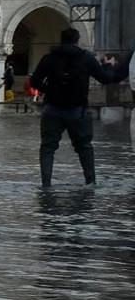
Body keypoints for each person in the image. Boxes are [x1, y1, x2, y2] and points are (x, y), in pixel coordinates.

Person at [27, 27, 130, 186]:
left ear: (61, 40)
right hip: (77, 111)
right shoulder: (86, 58)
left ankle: (46, 184)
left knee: (47, 148)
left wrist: (50, 90)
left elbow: (34, 81)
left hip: (52, 110)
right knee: (84, 148)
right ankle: (90, 182)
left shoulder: (49, 58)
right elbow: (106, 78)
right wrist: (109, 66)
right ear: (77, 40)